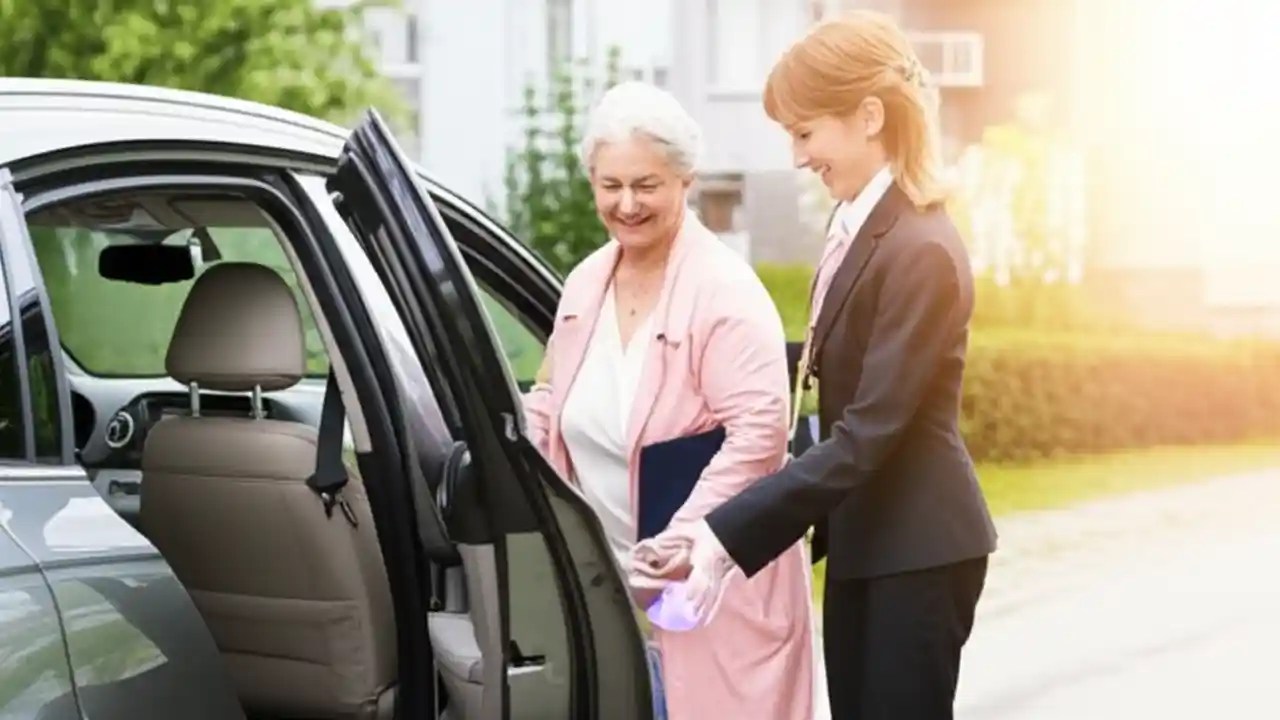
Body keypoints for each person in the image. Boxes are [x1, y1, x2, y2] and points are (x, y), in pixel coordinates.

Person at [634, 11, 998, 719]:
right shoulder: (863, 223)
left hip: (918, 549)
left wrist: (719, 536)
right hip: (874, 539)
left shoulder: (919, 246)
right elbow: (827, 362)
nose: (799, 156)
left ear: (868, 116)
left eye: (805, 133)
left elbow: (867, 433)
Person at [521, 81, 822, 718]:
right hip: (610, 600)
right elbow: (549, 398)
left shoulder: (724, 292)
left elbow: (760, 435)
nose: (626, 204)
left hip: (711, 598)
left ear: (685, 181)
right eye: (610, 185)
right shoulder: (585, 285)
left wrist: (684, 543)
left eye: (646, 185)